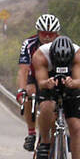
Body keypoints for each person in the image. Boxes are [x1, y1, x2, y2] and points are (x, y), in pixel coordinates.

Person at [31, 35, 80, 159]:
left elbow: (78, 81)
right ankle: (45, 143)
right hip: (49, 85)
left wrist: (72, 82)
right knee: (47, 106)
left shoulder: (79, 55)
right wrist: (47, 83)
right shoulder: (41, 55)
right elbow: (41, 81)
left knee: (75, 126)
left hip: (70, 87)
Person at [16, 14, 62, 151]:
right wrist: (21, 91)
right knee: (29, 92)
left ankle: (54, 140)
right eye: (43, 33)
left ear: (56, 34)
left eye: (51, 34)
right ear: (38, 32)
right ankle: (31, 133)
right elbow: (23, 70)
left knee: (54, 108)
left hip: (56, 76)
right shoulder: (29, 44)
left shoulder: (63, 43)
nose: (47, 37)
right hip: (35, 75)